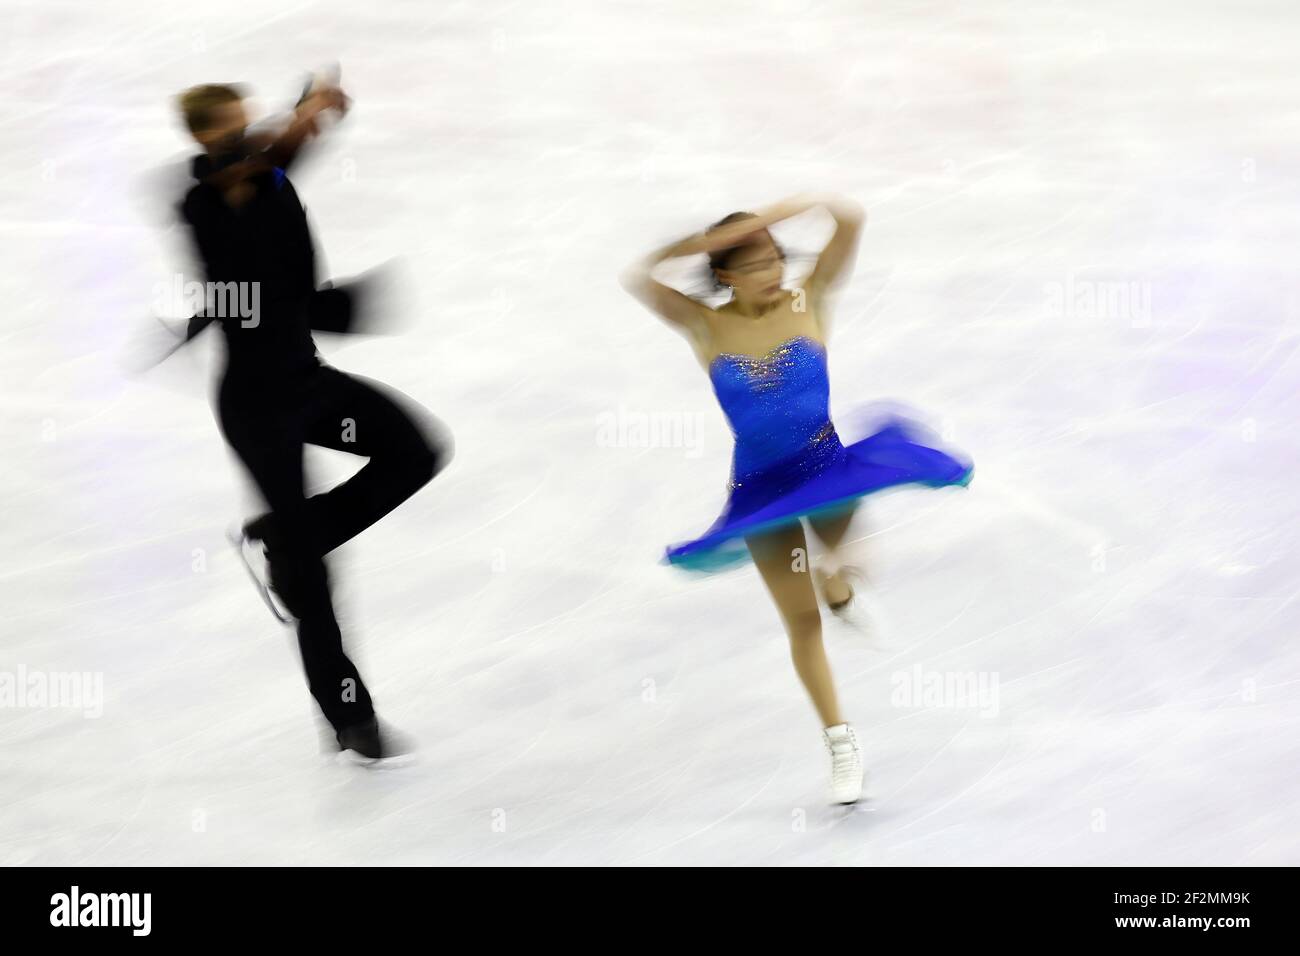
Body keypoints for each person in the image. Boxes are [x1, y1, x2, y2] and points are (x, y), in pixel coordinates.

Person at [620, 194, 973, 803]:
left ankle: (839, 589)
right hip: (760, 491)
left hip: (827, 469)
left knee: (842, 564)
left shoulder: (812, 296)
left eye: (775, 257)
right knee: (801, 622)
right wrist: (702, 244)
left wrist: (780, 213)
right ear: (723, 273)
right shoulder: (706, 324)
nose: (773, 271)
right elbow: (640, 275)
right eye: (755, 263)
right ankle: (841, 742)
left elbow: (849, 217)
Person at [173, 80, 451, 762]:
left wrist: (307, 119)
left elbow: (269, 160)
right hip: (255, 407)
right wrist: (301, 118)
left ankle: (294, 536)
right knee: (314, 583)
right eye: (227, 129)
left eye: (243, 121)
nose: (240, 136)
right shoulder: (201, 200)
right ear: (203, 138)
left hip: (307, 382)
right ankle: (351, 718)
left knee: (413, 449)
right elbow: (249, 166)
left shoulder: (264, 174)